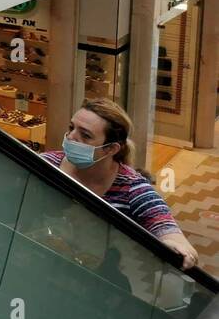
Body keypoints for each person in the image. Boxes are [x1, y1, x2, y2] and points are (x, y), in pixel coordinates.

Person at [40, 99, 198, 269]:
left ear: (111, 149)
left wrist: (175, 245)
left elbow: (164, 225)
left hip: (95, 279)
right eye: (72, 128)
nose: (71, 137)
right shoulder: (44, 165)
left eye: (85, 135)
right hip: (41, 264)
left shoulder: (131, 188)